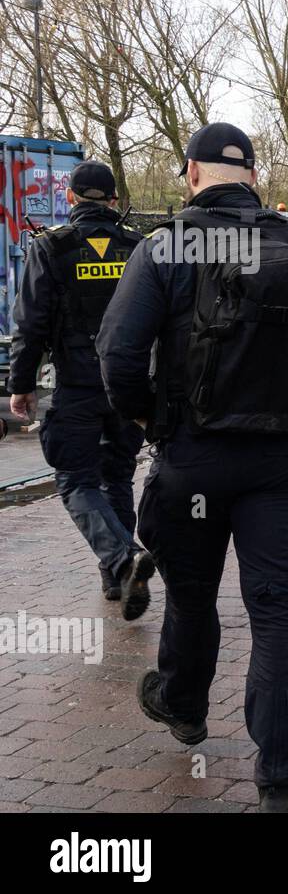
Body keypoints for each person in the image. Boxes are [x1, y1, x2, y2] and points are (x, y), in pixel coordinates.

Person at [97, 122, 288, 812]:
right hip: (280, 469)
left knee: (190, 595)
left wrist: (150, 419)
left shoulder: (165, 247)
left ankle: (184, 706)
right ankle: (279, 783)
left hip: (192, 463)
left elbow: (119, 356)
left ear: (191, 174)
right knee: (276, 617)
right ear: (252, 177)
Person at [5, 161, 155, 612]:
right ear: (113, 200)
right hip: (127, 384)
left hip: (75, 384)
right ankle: (117, 579)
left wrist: (22, 383)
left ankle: (122, 558)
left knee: (74, 479)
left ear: (70, 198)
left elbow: (30, 324)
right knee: (118, 477)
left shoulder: (51, 248)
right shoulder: (137, 247)